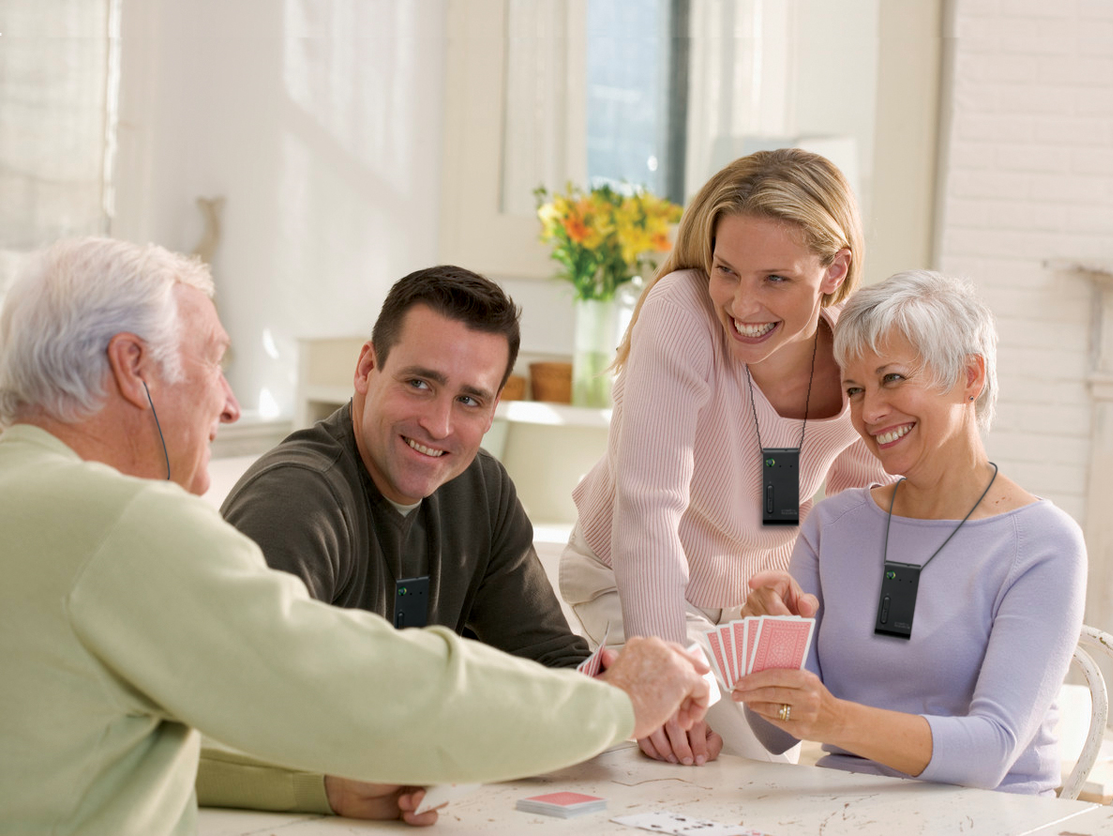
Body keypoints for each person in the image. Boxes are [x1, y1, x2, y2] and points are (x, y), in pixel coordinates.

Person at [0, 237, 711, 835]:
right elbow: (351, 684)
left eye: (470, 399)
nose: (229, 400)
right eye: (214, 360)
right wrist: (615, 704)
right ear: (132, 367)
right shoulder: (127, 524)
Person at [199, 265, 597, 816]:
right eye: (420, 384)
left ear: (492, 411)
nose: (439, 424)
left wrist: (623, 685)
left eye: (469, 401)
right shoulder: (296, 502)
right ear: (367, 368)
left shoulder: (480, 488)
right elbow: (237, 712)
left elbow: (550, 661)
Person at [560, 148, 889, 765]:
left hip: (749, 607)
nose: (741, 304)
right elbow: (649, 512)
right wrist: (658, 671)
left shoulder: (856, 349)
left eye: (776, 279)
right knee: (716, 755)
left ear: (834, 272)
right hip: (632, 575)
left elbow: (870, 512)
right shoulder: (682, 312)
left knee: (768, 763)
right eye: (727, 270)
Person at [733, 270, 1087, 794]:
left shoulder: (1043, 543)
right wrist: (770, 643)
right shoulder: (833, 526)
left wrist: (832, 719)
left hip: (986, 819)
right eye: (855, 389)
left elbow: (991, 751)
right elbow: (775, 735)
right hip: (843, 813)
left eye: (892, 378)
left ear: (970, 376)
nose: (870, 412)